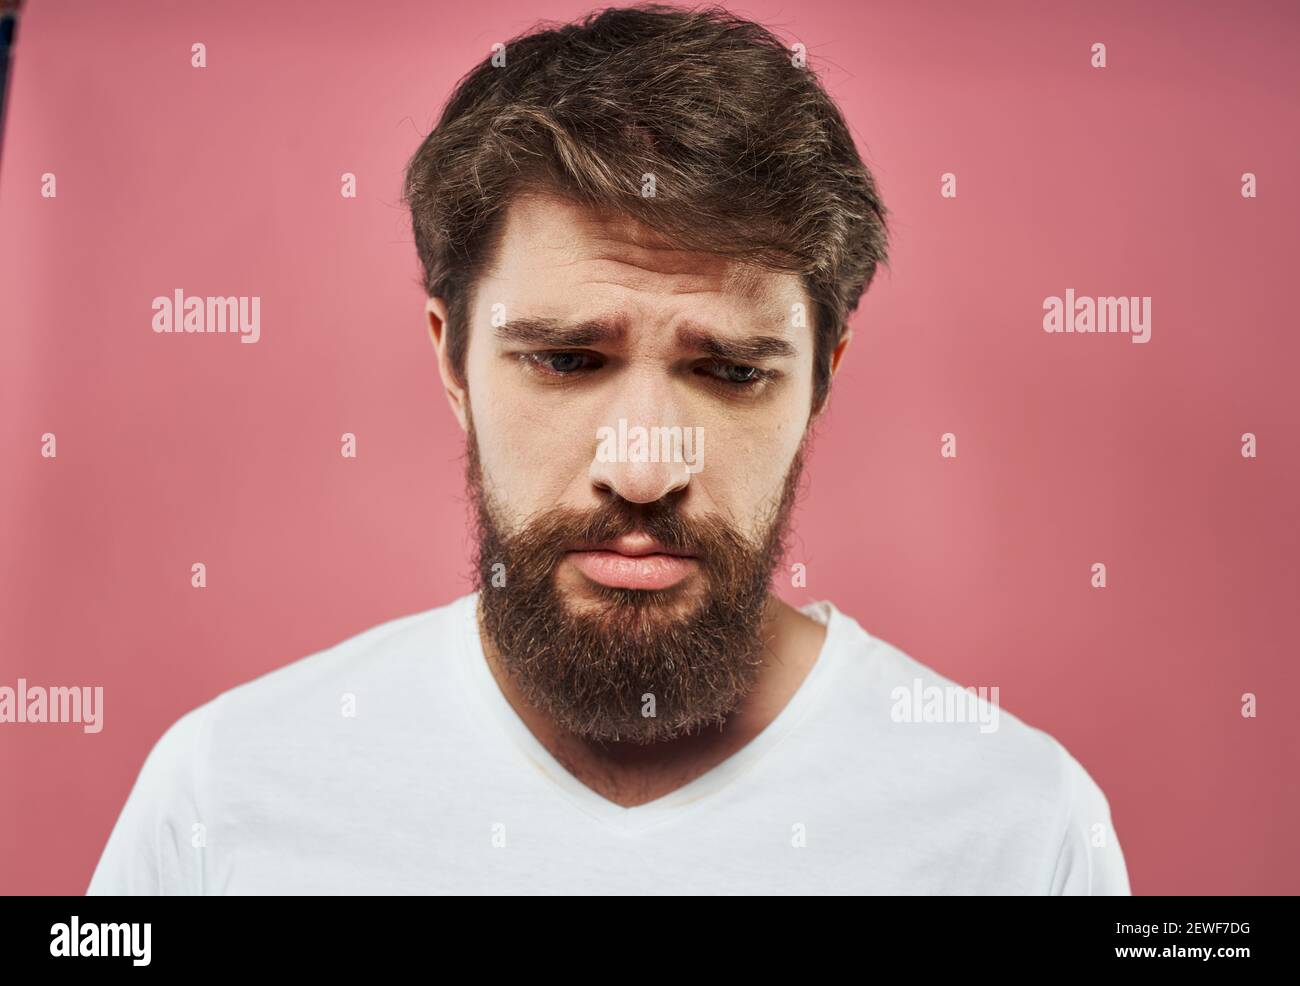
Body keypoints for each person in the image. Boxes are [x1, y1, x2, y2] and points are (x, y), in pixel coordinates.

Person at [88, 3, 1129, 895]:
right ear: (453, 361)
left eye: (728, 371)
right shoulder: (225, 792)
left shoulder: (1020, 831)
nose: (641, 467)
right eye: (566, 360)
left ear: (823, 380)